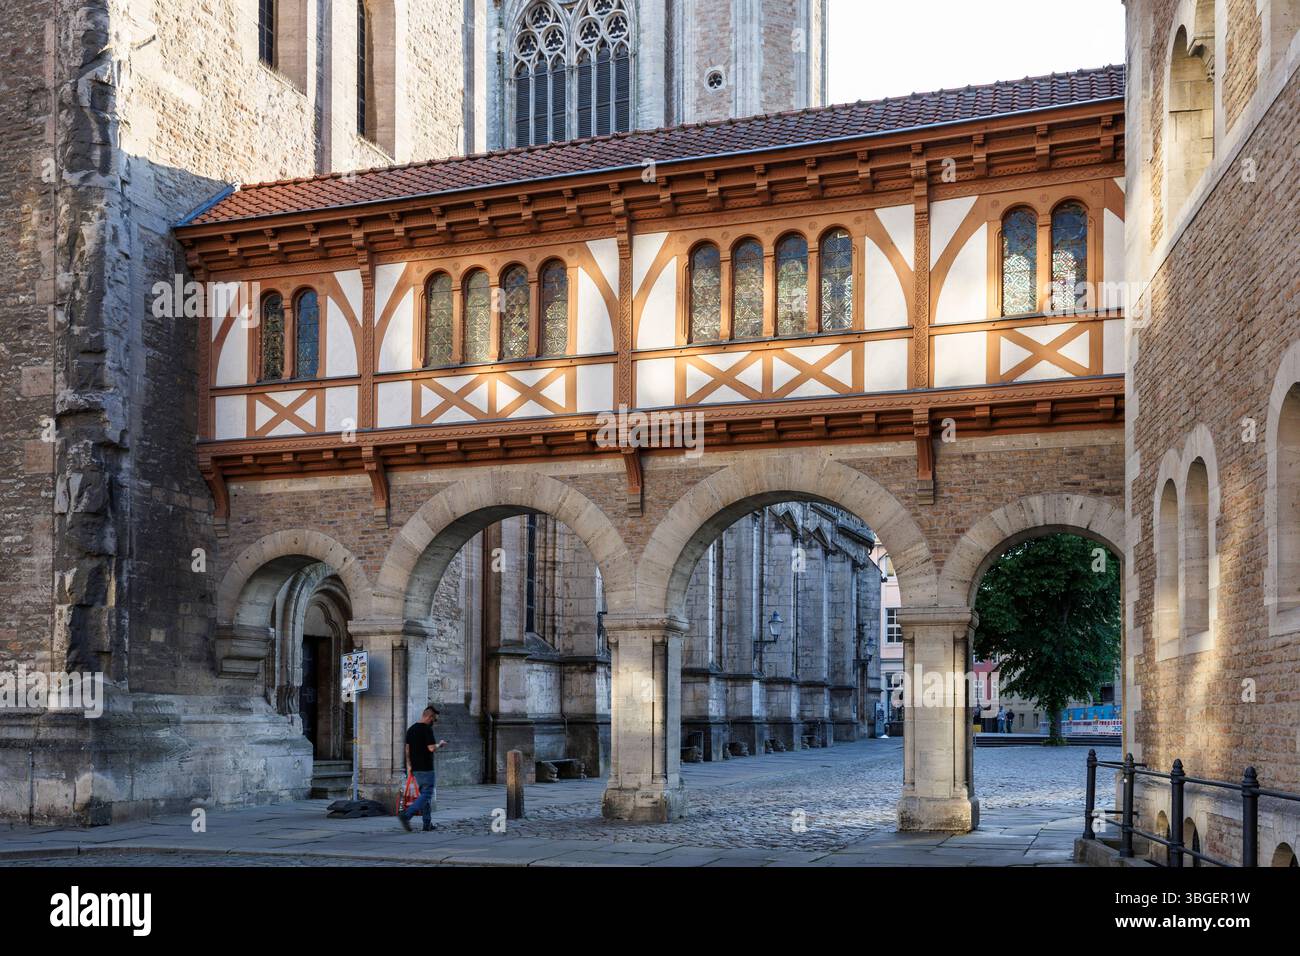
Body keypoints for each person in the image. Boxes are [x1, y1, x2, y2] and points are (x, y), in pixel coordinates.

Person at [397, 705, 448, 832]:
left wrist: (409, 766)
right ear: (429, 717)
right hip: (426, 767)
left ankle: (427, 823)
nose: (434, 723)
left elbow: (407, 750)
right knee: (427, 794)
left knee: (424, 795)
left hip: (415, 768)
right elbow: (431, 748)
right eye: (434, 720)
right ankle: (406, 815)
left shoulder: (411, 729)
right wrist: (440, 744)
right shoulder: (426, 729)